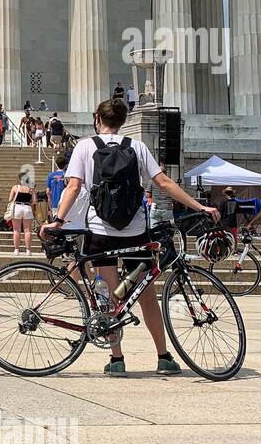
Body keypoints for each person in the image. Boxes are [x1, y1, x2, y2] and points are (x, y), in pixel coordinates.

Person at [42, 97, 221, 374]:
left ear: (97, 119)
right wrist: (199, 205)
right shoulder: (137, 146)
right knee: (147, 295)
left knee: (111, 297)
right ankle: (163, 356)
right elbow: (163, 182)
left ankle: (117, 360)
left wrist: (58, 220)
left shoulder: (85, 146)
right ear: (123, 121)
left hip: (101, 230)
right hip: (136, 231)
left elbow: (74, 187)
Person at [8, 170, 36, 255]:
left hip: (17, 207)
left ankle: (16, 250)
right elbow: (34, 201)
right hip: (27, 207)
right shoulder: (31, 188)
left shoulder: (15, 187)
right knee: (27, 230)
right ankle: (28, 250)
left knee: (16, 230)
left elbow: (10, 199)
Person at [46, 154, 69, 228]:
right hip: (65, 202)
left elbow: (48, 191)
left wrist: (49, 203)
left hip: (54, 201)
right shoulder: (67, 175)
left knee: (55, 221)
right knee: (65, 222)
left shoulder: (51, 175)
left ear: (56, 164)